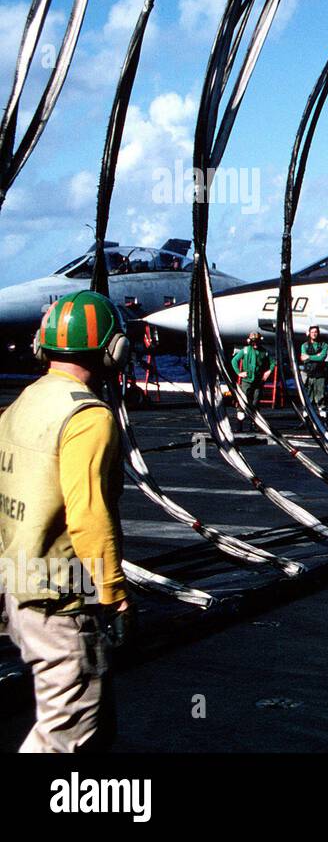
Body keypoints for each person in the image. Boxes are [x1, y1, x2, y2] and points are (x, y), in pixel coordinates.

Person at [0, 291, 132, 751]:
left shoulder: (25, 401)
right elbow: (89, 516)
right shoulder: (88, 415)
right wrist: (113, 593)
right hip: (61, 598)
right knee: (66, 733)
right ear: (112, 350)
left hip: (19, 586)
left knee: (92, 726)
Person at [230, 331, 272, 433]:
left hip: (258, 382)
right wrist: (239, 373)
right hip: (246, 381)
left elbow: (272, 363)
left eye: (257, 341)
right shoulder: (245, 350)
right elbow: (234, 361)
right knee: (242, 402)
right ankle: (239, 425)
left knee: (255, 403)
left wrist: (268, 371)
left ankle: (254, 424)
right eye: (253, 341)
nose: (255, 344)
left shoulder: (264, 352)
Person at [299, 325, 328, 423]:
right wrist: (316, 356)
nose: (314, 334)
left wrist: (309, 357)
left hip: (320, 375)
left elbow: (322, 358)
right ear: (309, 333)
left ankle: (323, 421)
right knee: (308, 398)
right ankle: (305, 421)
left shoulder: (323, 345)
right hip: (309, 374)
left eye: (316, 332)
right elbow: (303, 358)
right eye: (312, 332)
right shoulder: (304, 345)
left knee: (321, 398)